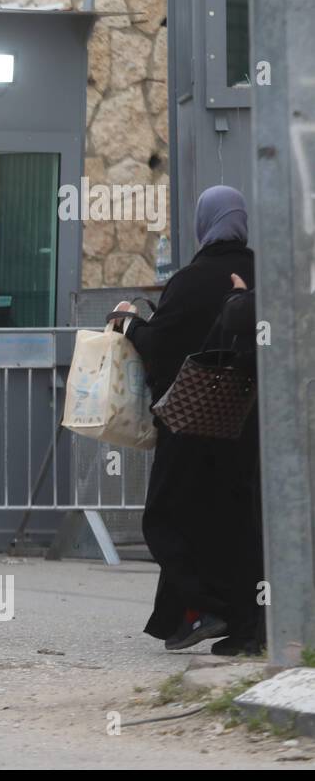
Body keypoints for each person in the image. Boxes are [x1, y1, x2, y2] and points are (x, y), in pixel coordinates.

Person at [112, 185, 260, 653]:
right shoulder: (263, 272)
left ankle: (204, 607)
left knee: (166, 518)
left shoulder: (192, 280)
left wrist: (129, 324)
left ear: (204, 222)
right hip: (250, 426)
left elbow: (160, 347)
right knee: (237, 522)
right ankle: (240, 624)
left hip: (193, 423)